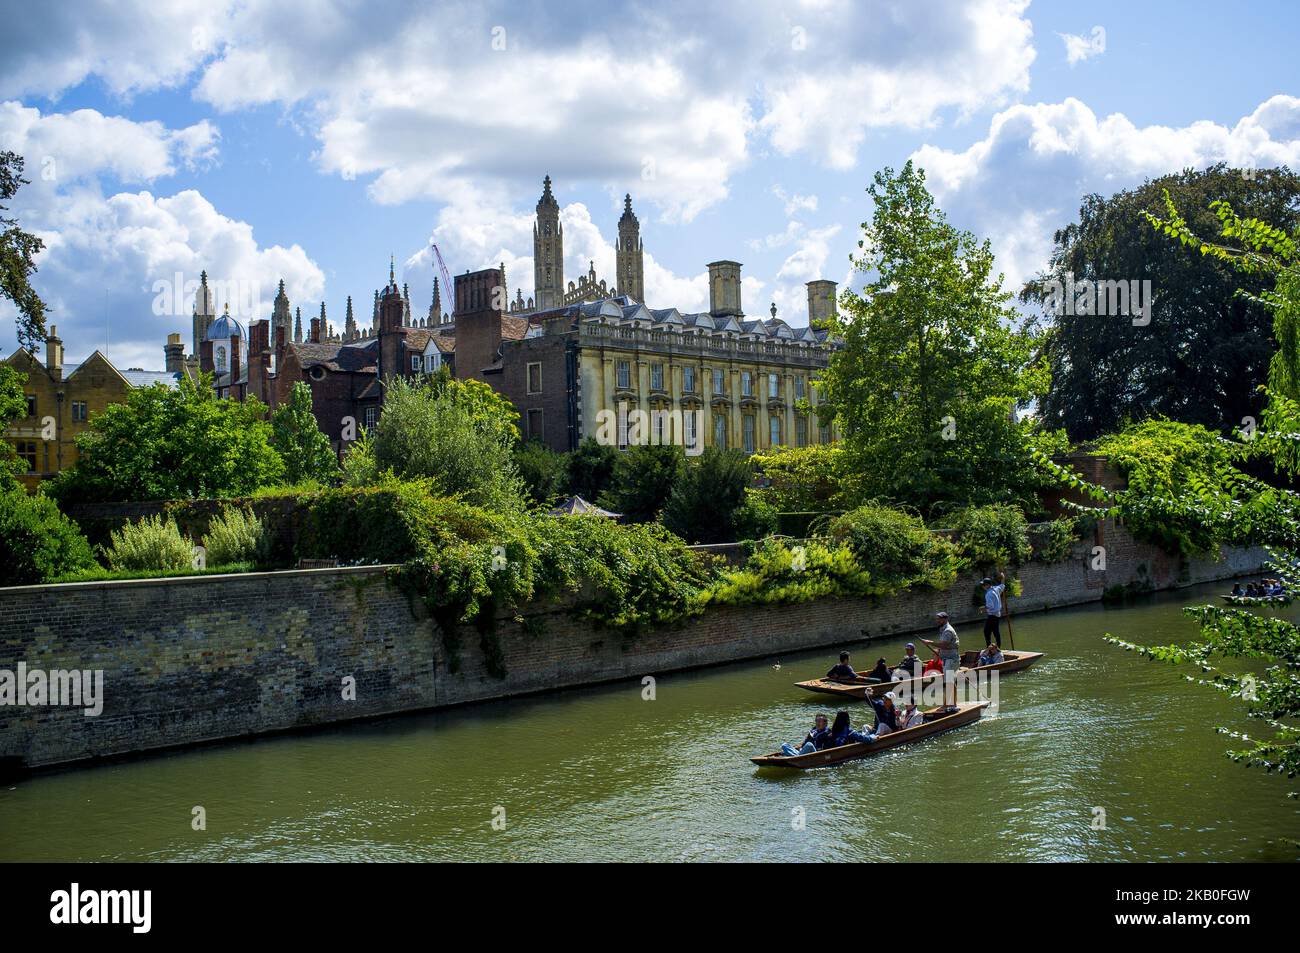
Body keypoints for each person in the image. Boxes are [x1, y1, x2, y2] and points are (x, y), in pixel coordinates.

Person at [921, 611, 961, 713]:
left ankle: (948, 704)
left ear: (945, 619)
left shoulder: (947, 631)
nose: (937, 620)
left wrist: (929, 642)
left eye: (939, 619)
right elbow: (944, 647)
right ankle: (952, 704)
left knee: (948, 682)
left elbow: (944, 645)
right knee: (950, 682)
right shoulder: (943, 629)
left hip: (951, 660)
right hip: (948, 659)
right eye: (937, 618)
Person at [982, 571, 1007, 648]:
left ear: (988, 585)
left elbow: (990, 606)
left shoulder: (988, 594)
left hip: (992, 614)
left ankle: (989, 647)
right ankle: (998, 646)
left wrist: (983, 608)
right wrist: (1003, 577)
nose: (983, 586)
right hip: (997, 614)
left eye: (984, 585)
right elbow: (1002, 585)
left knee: (986, 631)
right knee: (995, 631)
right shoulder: (996, 589)